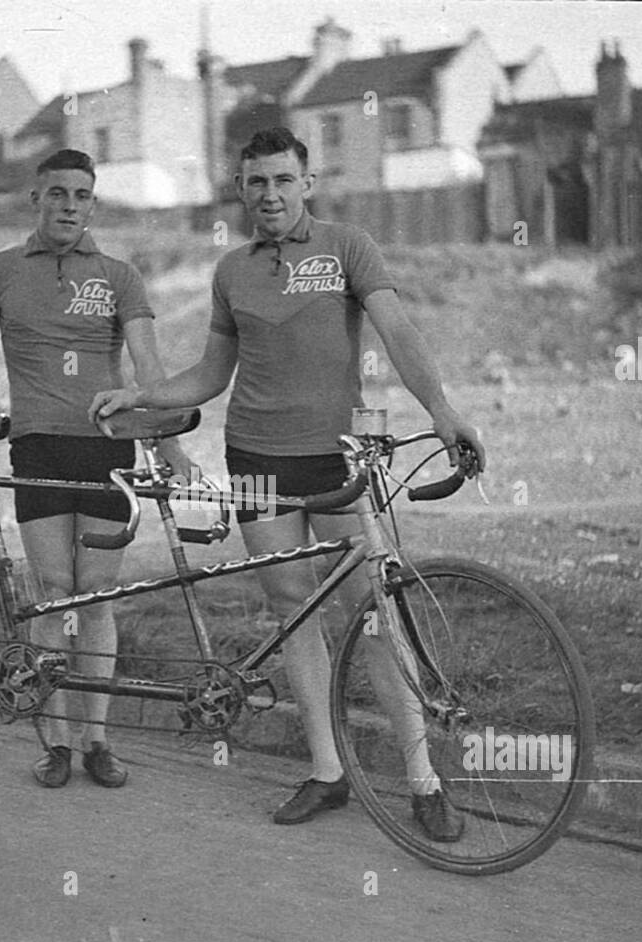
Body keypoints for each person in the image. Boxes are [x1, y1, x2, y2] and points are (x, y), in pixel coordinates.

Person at [90, 127, 486, 838]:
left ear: (307, 183)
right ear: (240, 190)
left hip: (334, 459)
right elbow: (212, 375)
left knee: (370, 612)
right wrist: (141, 398)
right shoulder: (232, 271)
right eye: (255, 182)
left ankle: (423, 780)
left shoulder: (348, 246)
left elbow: (397, 332)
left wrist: (444, 409)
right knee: (294, 610)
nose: (269, 194)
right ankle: (328, 772)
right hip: (257, 461)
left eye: (282, 179)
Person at [0, 148, 188, 790]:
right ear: (36, 199)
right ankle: (55, 741)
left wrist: (169, 443)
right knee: (53, 594)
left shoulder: (120, 276)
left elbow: (148, 364)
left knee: (97, 598)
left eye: (81, 195)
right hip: (37, 448)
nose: (68, 205)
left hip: (106, 448)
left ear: (93, 203)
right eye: (56, 193)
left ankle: (98, 742)